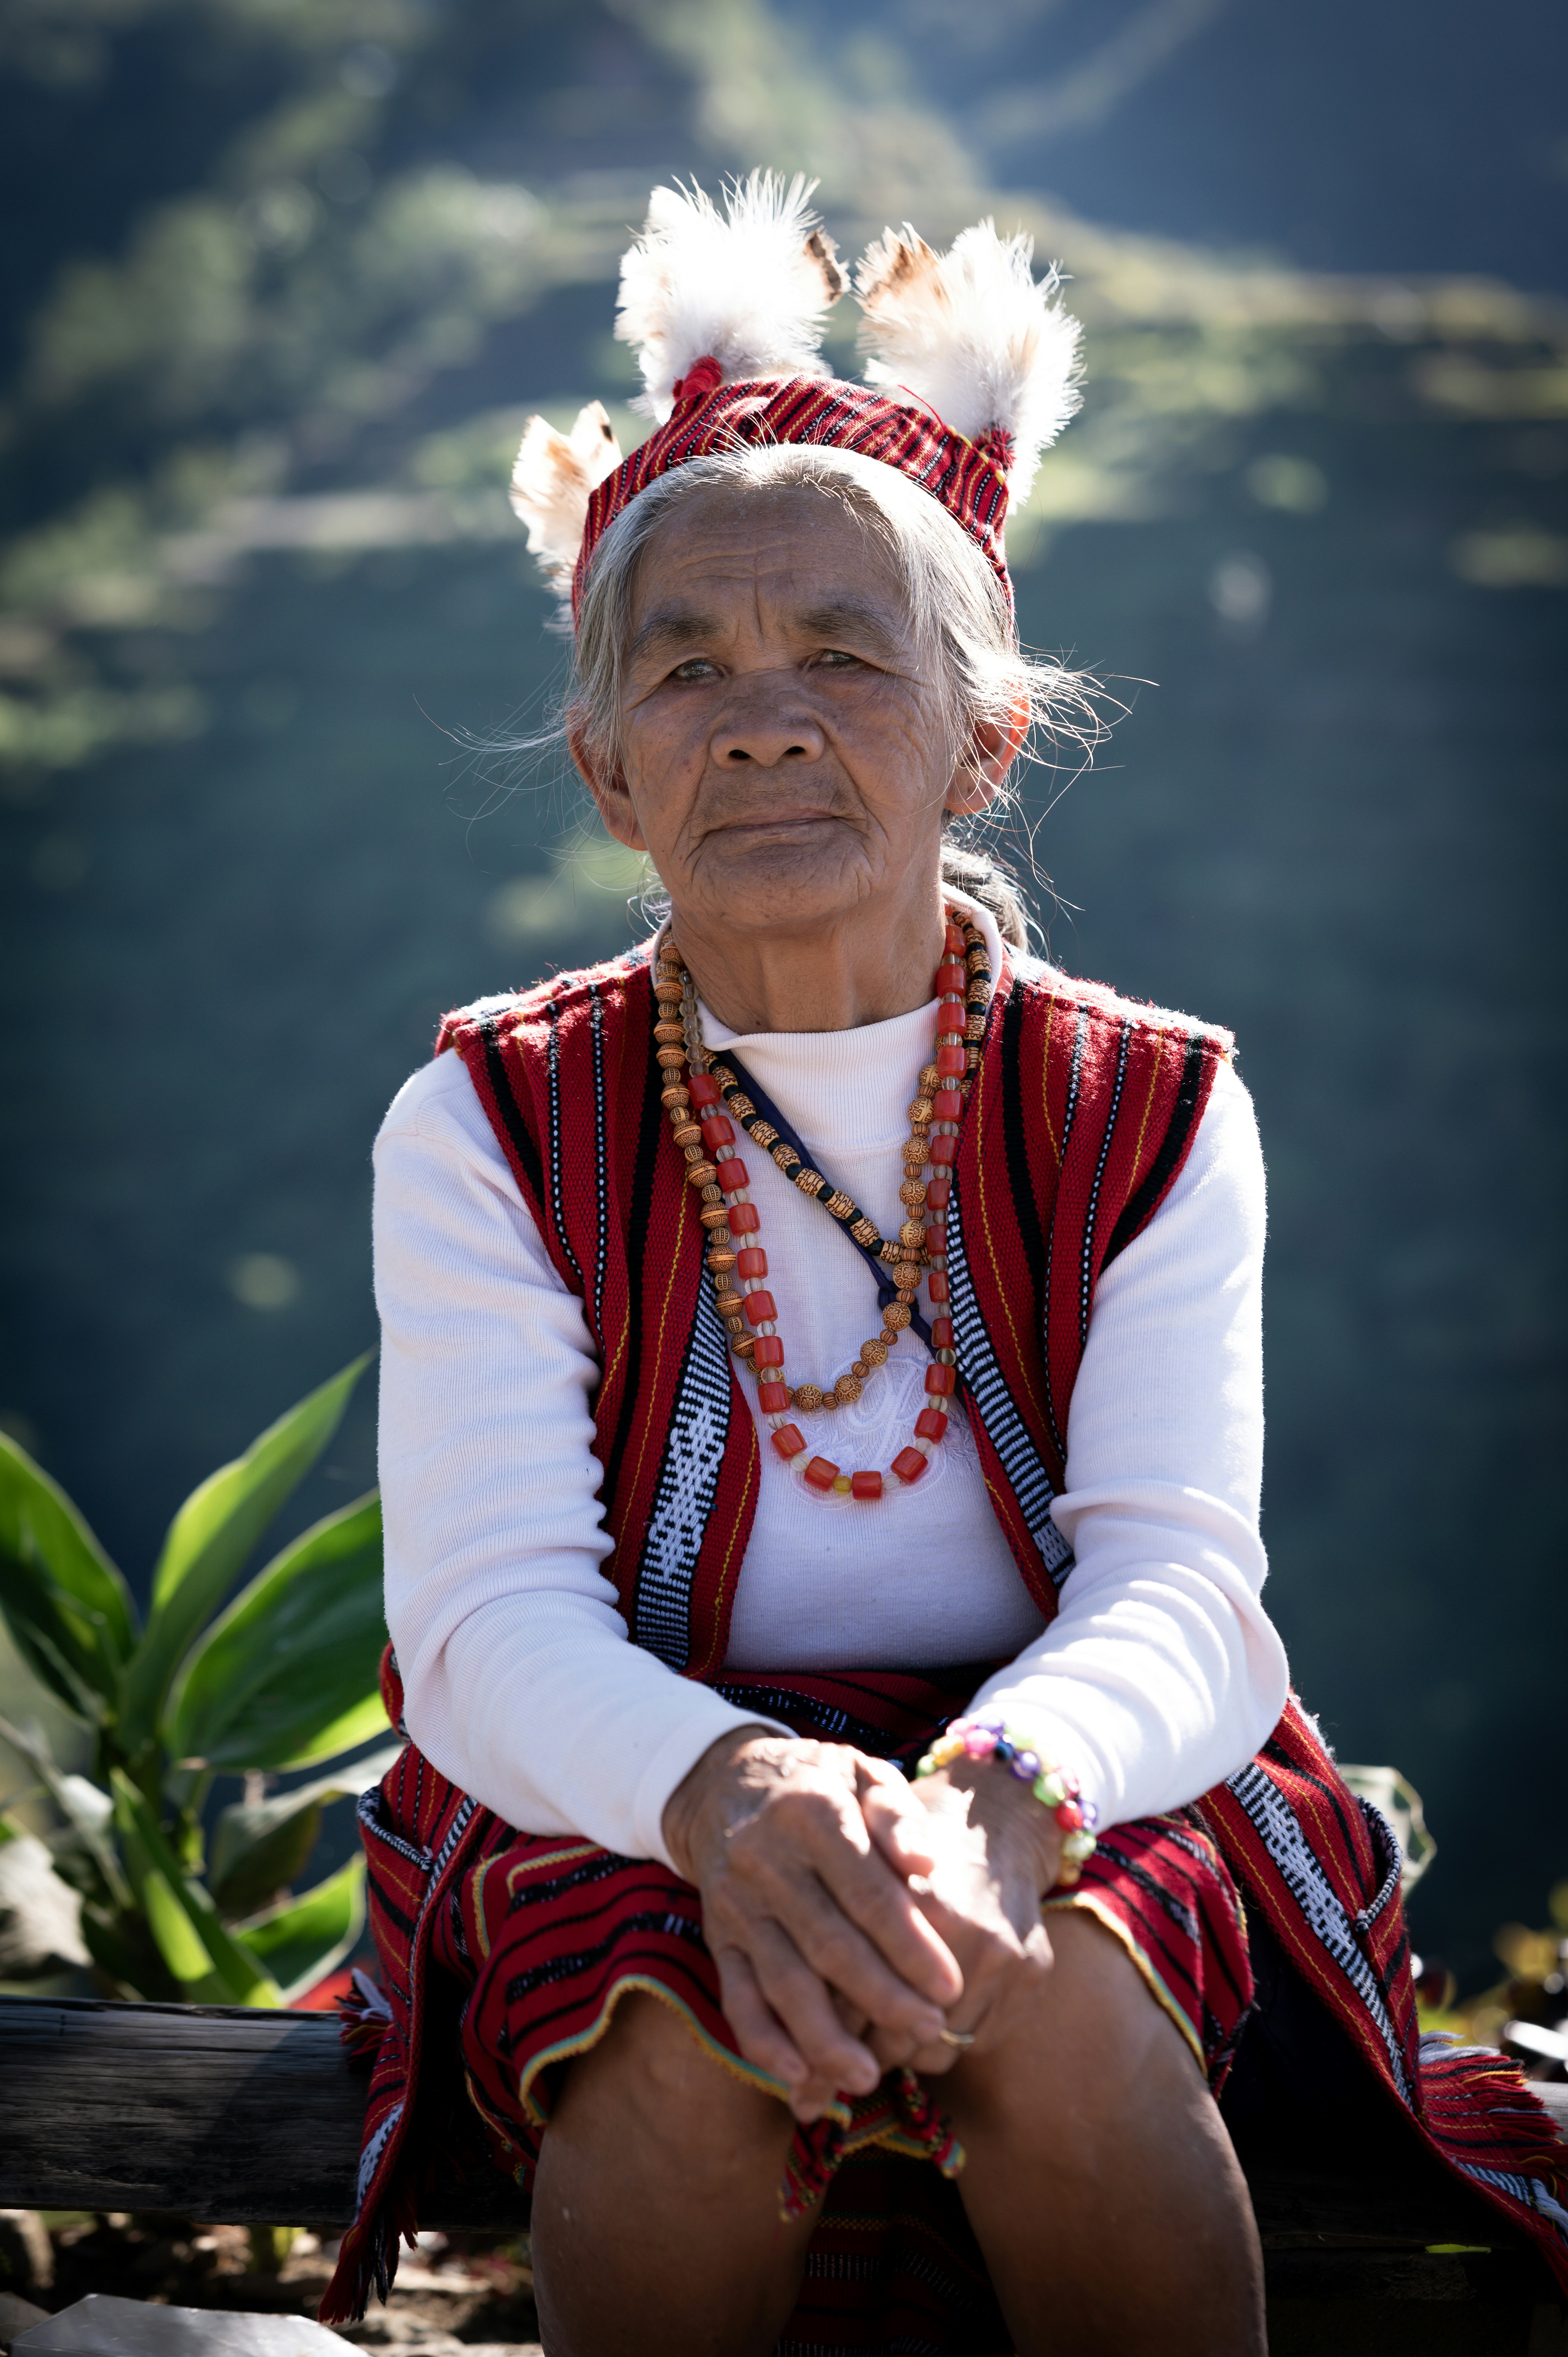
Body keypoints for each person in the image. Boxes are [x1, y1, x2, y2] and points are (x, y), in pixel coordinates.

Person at [323, 176, 1567, 2354]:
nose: (763, 714)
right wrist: (721, 1794)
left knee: (1067, 2011)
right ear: (610, 775)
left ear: (982, 737)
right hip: (626, 1766)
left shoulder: (1145, 1110)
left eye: (840, 653)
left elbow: (1182, 1577)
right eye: (684, 669)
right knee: (671, 2052)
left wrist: (1003, 1802)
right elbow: (486, 1618)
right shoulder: (489, 1126)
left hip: (1066, 1757)